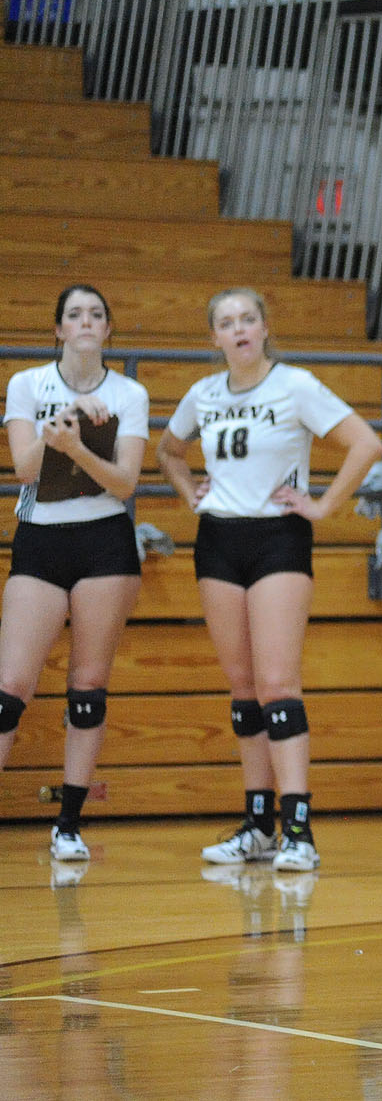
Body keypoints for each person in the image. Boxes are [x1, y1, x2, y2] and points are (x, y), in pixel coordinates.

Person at [158, 287, 382, 873]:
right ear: (214, 337)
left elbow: (366, 443)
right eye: (227, 322)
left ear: (263, 328)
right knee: (242, 686)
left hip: (278, 538)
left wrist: (325, 505)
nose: (239, 330)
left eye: (248, 319)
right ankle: (257, 825)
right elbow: (168, 450)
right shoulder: (203, 394)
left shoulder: (295, 385)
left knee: (278, 681)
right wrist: (189, 492)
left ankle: (298, 829)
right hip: (218, 540)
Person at [0, 285, 149, 862]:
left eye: (96, 314)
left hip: (105, 542)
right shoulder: (27, 385)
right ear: (58, 329)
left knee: (88, 687)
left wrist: (81, 446)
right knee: (10, 688)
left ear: (108, 330)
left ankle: (67, 825)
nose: (85, 322)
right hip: (40, 539)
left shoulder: (129, 392)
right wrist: (63, 423)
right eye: (73, 314)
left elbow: (126, 482)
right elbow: (24, 469)